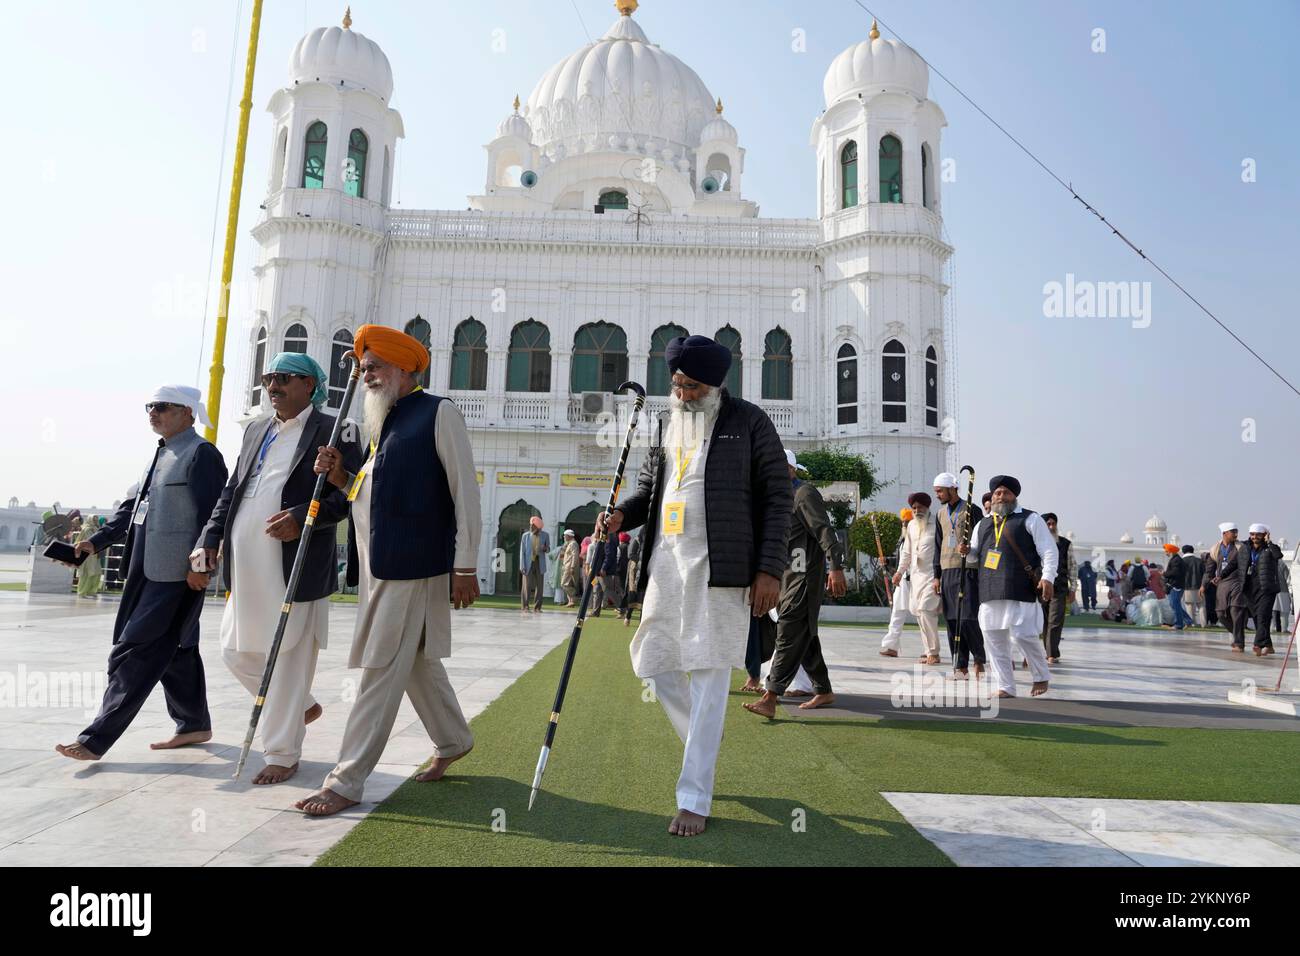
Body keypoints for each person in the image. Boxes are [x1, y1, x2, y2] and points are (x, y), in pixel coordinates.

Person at [599, 334, 789, 837]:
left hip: (721, 567)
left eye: (692, 386)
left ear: (716, 384)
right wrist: (621, 515)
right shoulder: (666, 423)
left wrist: (769, 569)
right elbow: (648, 492)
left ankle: (694, 796)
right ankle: (699, 748)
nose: (682, 394)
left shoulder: (749, 423)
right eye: (677, 384)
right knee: (654, 663)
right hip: (665, 563)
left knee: (707, 675)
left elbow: (777, 499)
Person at [298, 325, 481, 816]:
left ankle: (345, 780)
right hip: (380, 566)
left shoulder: (437, 412)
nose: (365, 375)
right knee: (416, 660)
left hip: (413, 566)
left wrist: (465, 565)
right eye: (362, 368)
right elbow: (372, 494)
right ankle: (453, 739)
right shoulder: (386, 421)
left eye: (374, 366)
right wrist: (341, 476)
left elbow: (466, 493)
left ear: (404, 368)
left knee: (379, 668)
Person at [193, 353, 362, 785]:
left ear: (310, 385)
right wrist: (208, 541)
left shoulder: (337, 429)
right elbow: (232, 491)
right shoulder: (255, 429)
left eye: (285, 378)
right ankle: (301, 706)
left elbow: (351, 496)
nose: (274, 385)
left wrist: (305, 514)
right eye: (270, 377)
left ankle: (283, 754)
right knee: (235, 651)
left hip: (295, 564)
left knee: (285, 658)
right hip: (245, 566)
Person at [56, 386, 227, 760]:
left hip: (177, 576)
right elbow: (130, 510)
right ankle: (194, 723)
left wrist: (201, 568)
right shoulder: (160, 455)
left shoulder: (202, 454)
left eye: (162, 407)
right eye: (150, 406)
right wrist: (91, 544)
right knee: (177, 649)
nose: (153, 412)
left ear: (187, 412)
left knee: (133, 651)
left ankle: (95, 739)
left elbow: (214, 517)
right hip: (143, 572)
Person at [745, 449, 846, 717]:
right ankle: (823, 690)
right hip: (784, 578)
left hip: (804, 578)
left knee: (789, 631)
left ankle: (771, 695)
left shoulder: (804, 493)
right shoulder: (777, 499)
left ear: (791, 469)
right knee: (805, 636)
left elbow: (824, 530)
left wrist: (835, 567)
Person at [960, 475, 1057, 698]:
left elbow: (1049, 550)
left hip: (1019, 587)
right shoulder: (982, 524)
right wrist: (967, 552)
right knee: (993, 639)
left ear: (1015, 496)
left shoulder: (1030, 519)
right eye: (997, 493)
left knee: (1024, 635)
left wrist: (1048, 577)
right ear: (992, 497)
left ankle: (1040, 675)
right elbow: (975, 556)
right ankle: (1006, 686)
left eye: (1006, 493)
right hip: (989, 589)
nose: (1001, 496)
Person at [931, 473, 985, 677]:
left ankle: (979, 658)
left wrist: (970, 548)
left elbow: (982, 538)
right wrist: (936, 575)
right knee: (952, 619)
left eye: (940, 491)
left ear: (952, 489)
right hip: (946, 571)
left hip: (968, 570)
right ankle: (960, 664)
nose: (937, 495)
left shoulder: (972, 510)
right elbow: (938, 545)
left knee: (968, 618)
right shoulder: (940, 514)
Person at [895, 494, 942, 665]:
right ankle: (928, 649)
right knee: (918, 612)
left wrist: (940, 576)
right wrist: (899, 572)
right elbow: (906, 552)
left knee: (925, 610)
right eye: (914, 508)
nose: (917, 511)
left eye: (920, 507)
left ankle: (934, 652)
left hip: (933, 575)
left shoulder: (938, 524)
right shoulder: (912, 526)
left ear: (927, 507)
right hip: (916, 577)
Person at [1237, 523, 1282, 656]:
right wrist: (1220, 576)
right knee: (1258, 618)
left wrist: (1269, 542)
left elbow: (1278, 556)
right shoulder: (1245, 548)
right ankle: (1268, 645)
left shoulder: (1270, 548)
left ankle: (1257, 643)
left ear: (1264, 535)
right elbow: (1235, 563)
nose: (1254, 537)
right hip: (1249, 588)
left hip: (1266, 588)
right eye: (1252, 534)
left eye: (1258, 534)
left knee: (1262, 615)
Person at [1038, 513, 1075, 663]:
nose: (1051, 527)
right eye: (1048, 524)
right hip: (1039, 588)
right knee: (1043, 622)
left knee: (1055, 620)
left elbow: (1072, 567)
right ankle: (1048, 651)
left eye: (1053, 524)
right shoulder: (1035, 543)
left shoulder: (1065, 544)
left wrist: (1073, 588)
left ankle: (1051, 653)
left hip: (1059, 588)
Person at [1204, 523, 1243, 650]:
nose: (1236, 534)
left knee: (1235, 611)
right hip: (1222, 584)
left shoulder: (1240, 547)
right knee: (1220, 614)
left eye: (1236, 531)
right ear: (1224, 533)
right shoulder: (1215, 549)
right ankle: (1237, 633)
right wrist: (1204, 584)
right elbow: (1209, 569)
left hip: (1237, 582)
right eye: (1233, 532)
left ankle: (1238, 642)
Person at [519, 516, 550, 613]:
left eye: (533, 526)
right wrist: (522, 566)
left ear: (538, 527)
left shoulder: (545, 535)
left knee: (539, 586)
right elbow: (522, 552)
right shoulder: (525, 536)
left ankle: (537, 607)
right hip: (528, 563)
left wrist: (545, 548)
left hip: (539, 562)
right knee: (526, 585)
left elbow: (548, 549)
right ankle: (525, 606)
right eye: (531, 525)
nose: (531, 527)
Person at [1162, 543, 1192, 631]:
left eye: (1167, 551)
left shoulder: (1176, 560)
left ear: (1171, 551)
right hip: (1176, 585)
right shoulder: (1175, 559)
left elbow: (1175, 572)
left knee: (1175, 605)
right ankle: (1188, 620)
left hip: (1176, 586)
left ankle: (1179, 624)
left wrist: (1164, 574)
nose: (1166, 553)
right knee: (1175, 605)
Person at [73, 514, 103, 598]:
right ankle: (82, 591)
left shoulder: (97, 529)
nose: (96, 521)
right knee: (86, 573)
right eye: (94, 519)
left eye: (97, 519)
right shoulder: (87, 529)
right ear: (90, 520)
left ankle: (92, 591)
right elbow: (90, 540)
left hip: (95, 555)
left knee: (97, 573)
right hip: (87, 555)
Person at [1181, 544, 1205, 626]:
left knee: (1189, 605)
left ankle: (1191, 623)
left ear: (1183, 551)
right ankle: (1203, 624)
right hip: (1200, 586)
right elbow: (1205, 574)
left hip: (1187, 586)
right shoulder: (1199, 561)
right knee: (1201, 605)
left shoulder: (1182, 561)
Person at [559, 528, 580, 606]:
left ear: (569, 536)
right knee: (568, 584)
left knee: (564, 584)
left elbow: (575, 556)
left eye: (565, 536)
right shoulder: (569, 544)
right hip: (567, 566)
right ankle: (571, 601)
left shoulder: (573, 544)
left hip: (569, 567)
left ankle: (574, 596)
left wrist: (572, 567)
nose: (564, 537)